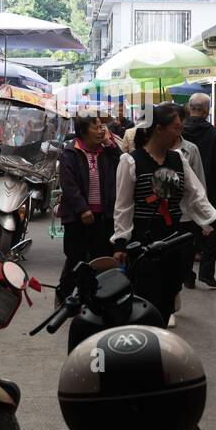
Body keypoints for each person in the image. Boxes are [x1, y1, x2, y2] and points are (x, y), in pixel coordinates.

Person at [112, 103, 216, 328]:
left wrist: (215, 222)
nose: (180, 133)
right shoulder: (131, 161)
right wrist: (120, 243)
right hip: (143, 241)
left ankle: (160, 336)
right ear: (158, 128)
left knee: (167, 295)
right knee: (145, 298)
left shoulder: (178, 159)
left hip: (175, 239)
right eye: (176, 128)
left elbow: (196, 195)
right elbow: (123, 206)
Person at [57, 113, 121, 301]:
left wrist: (111, 144)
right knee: (75, 259)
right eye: (96, 127)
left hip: (103, 216)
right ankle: (64, 297)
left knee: (101, 259)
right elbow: (68, 183)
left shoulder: (107, 151)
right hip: (77, 217)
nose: (101, 131)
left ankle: (94, 298)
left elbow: (124, 164)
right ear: (83, 131)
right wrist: (82, 208)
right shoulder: (71, 152)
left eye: (102, 127)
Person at [181, 92, 216, 288]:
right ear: (207, 111)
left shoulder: (179, 130)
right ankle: (207, 273)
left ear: (189, 107)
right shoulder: (214, 133)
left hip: (182, 189)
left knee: (187, 232)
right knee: (210, 228)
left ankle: (188, 274)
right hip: (209, 188)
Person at [170, 104, 208, 290]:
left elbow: (199, 183)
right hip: (162, 216)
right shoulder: (149, 151)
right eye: (175, 124)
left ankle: (183, 278)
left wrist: (206, 219)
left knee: (186, 257)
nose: (179, 128)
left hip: (187, 213)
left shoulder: (191, 150)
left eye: (181, 124)